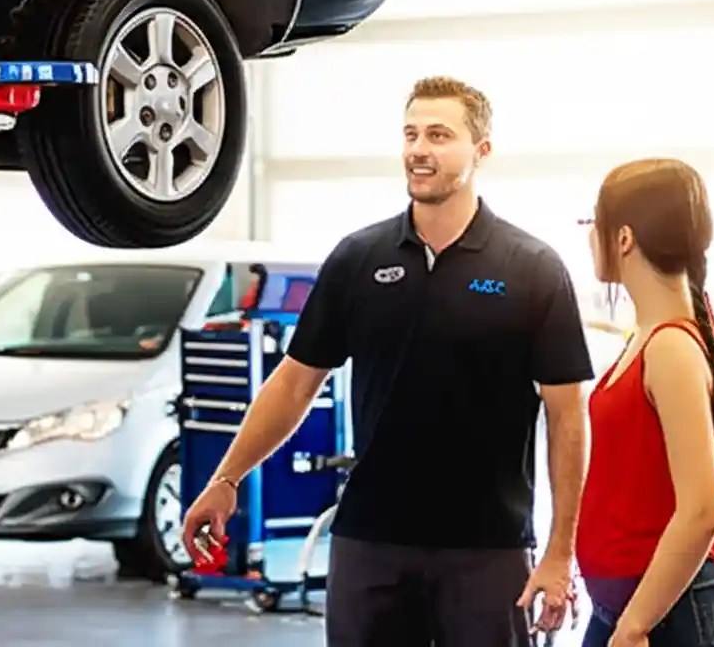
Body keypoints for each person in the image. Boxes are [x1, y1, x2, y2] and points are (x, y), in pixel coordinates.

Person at [181, 75, 597, 646]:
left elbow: (568, 415)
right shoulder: (358, 258)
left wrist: (560, 550)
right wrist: (226, 478)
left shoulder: (532, 267)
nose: (419, 149)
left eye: (439, 135)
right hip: (370, 543)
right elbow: (295, 382)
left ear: (481, 150)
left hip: (488, 549)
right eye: (411, 134)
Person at [574, 158, 714, 647]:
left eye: (594, 223)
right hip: (626, 608)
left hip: (667, 614)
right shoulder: (646, 338)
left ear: (624, 238)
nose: (590, 237)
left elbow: (702, 511)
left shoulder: (670, 347)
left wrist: (634, 624)